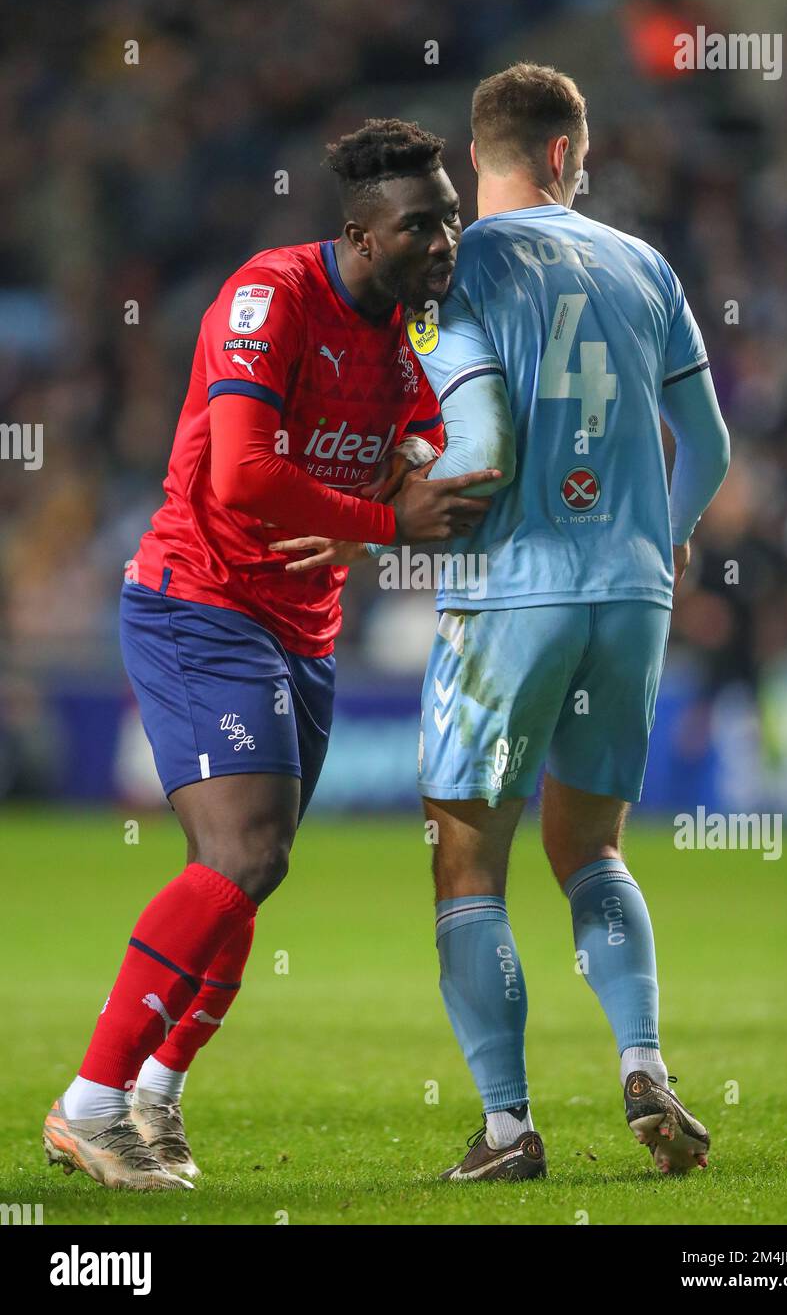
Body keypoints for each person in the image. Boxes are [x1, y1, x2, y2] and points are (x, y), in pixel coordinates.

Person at [276, 65, 730, 1181]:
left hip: (505, 591)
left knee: (467, 863)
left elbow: (472, 455)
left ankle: (506, 1128)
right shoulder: (646, 265)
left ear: (473, 161)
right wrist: (661, 537)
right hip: (629, 593)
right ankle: (640, 1058)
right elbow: (709, 446)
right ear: (568, 156)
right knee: (594, 849)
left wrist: (366, 523)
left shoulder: (446, 265)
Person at [42, 119, 500, 1191]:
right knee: (244, 852)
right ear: (358, 232)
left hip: (303, 623)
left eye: (452, 217)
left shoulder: (417, 339)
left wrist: (398, 493)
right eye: (420, 223)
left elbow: (423, 466)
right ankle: (90, 1103)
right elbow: (241, 474)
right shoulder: (273, 296)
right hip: (198, 598)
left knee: (253, 870)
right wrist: (389, 522)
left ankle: (155, 1097)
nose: (444, 238)